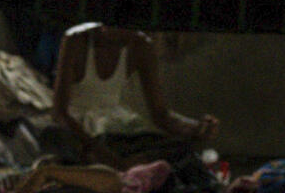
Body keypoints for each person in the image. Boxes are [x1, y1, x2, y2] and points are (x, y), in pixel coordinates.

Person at [45, 24, 215, 168]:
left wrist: (195, 129)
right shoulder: (75, 40)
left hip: (114, 127)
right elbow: (60, 113)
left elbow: (161, 115)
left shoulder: (140, 45)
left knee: (179, 153)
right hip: (78, 128)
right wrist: (98, 151)